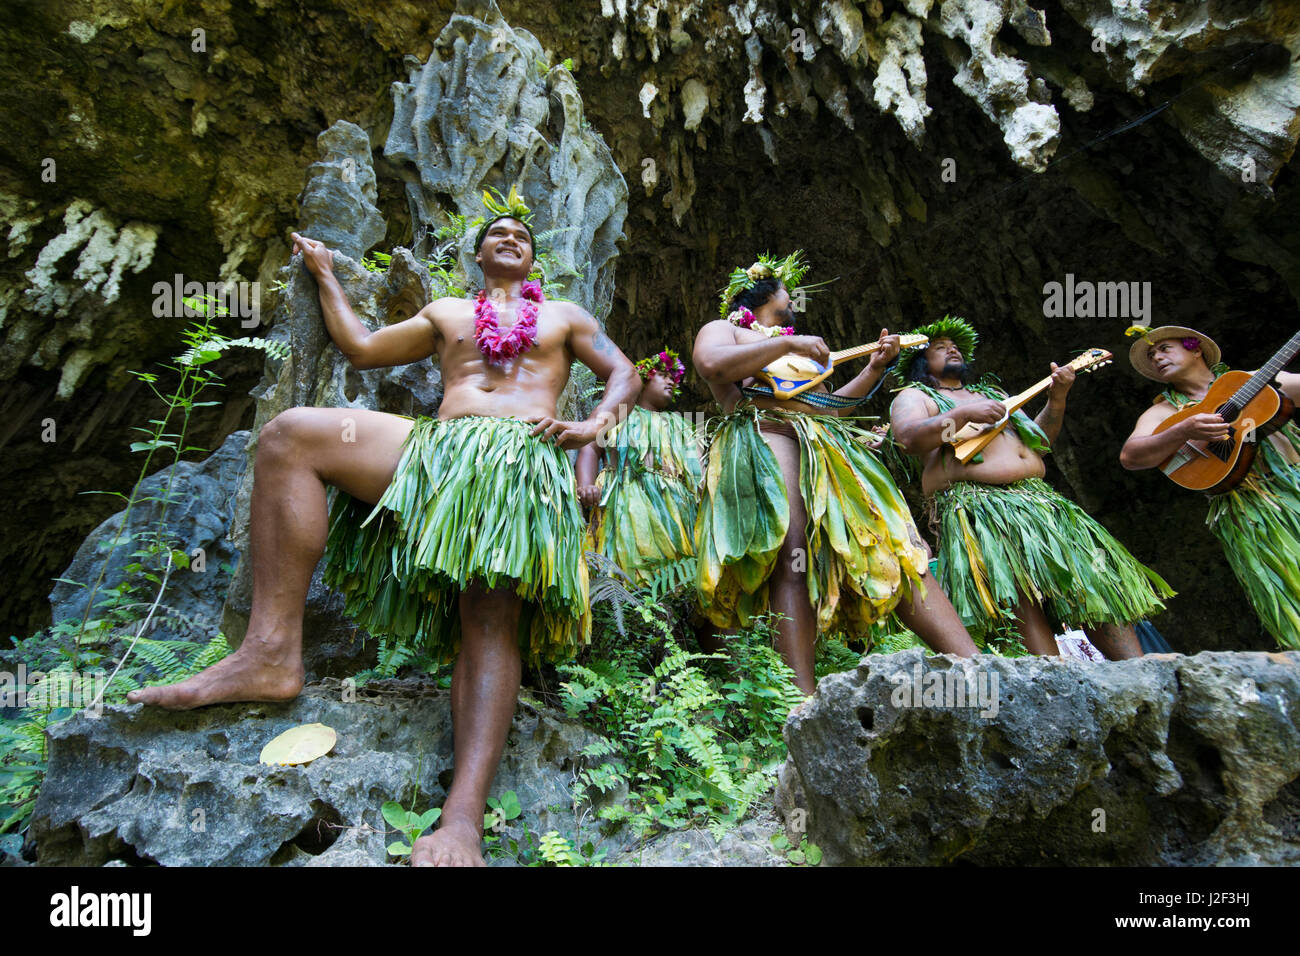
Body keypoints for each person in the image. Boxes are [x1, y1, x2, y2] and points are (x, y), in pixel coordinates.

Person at [127, 187, 641, 866]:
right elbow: (364, 348)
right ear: (477, 255)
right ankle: (270, 653)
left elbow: (624, 372)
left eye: (522, 233)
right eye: (497, 234)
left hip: (520, 460)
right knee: (290, 437)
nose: (510, 237)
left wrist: (593, 426)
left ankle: (461, 822)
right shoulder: (447, 311)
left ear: (534, 258)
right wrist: (327, 275)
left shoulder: (567, 316)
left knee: (486, 614)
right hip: (437, 451)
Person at [692, 254, 978, 695]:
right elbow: (712, 366)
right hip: (769, 433)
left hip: (826, 441)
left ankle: (975, 668)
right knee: (792, 554)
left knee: (900, 544)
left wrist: (873, 369)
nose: (794, 301)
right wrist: (788, 346)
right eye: (790, 293)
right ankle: (800, 702)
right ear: (768, 293)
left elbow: (832, 408)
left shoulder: (796, 349)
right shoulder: (726, 330)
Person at [889, 315, 1171, 659]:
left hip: (1039, 501)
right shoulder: (916, 395)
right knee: (1021, 596)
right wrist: (964, 415)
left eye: (956, 347)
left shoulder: (994, 395)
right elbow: (908, 438)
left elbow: (1039, 443)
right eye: (940, 348)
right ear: (922, 361)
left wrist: (1058, 399)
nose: (952, 350)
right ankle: (1053, 684)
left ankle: (1137, 673)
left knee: (1091, 582)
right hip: (980, 507)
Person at [1119, 325, 1300, 649]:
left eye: (1165, 348)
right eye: (1151, 355)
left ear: (1196, 348)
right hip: (1251, 514)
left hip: (1293, 486)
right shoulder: (1163, 412)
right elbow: (1131, 456)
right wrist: (1181, 431)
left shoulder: (1253, 381)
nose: (1157, 357)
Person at [576, 348, 702, 593]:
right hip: (621, 498)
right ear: (643, 377)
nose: (671, 382)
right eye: (663, 375)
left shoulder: (683, 423)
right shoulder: (615, 413)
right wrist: (585, 484)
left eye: (674, 379)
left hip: (673, 507)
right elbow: (589, 449)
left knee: (672, 574)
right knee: (626, 569)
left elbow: (698, 469)